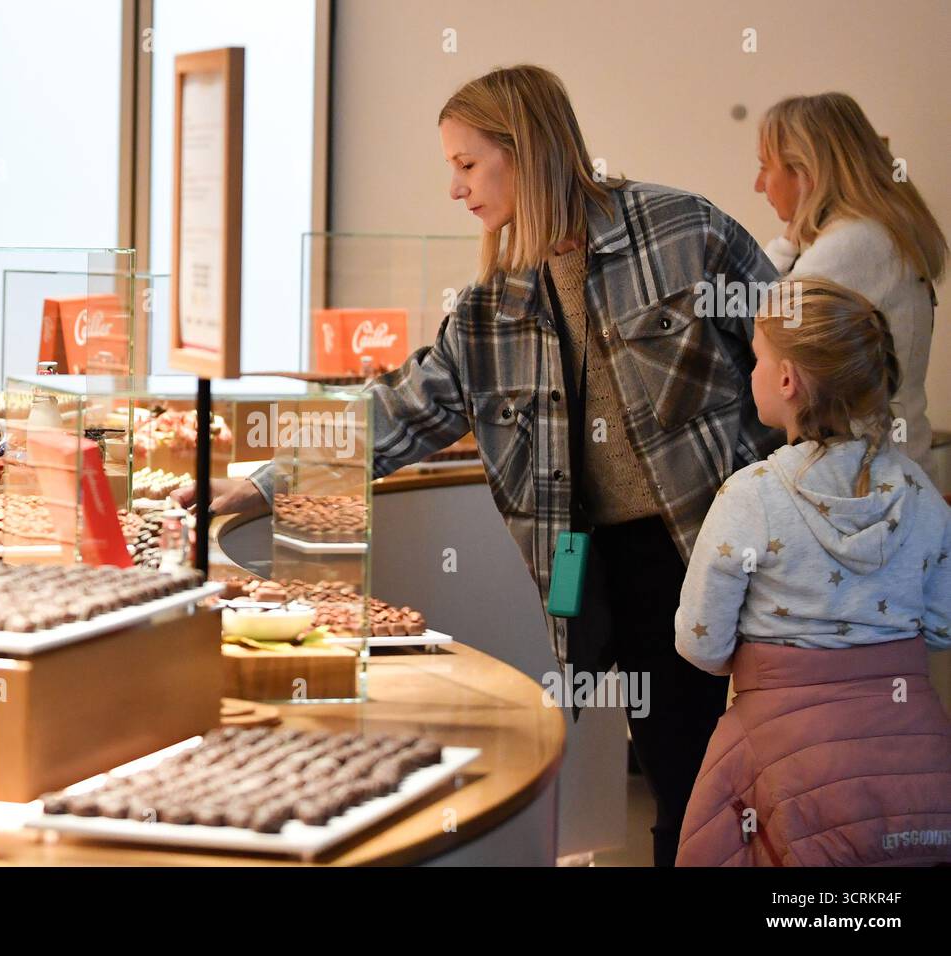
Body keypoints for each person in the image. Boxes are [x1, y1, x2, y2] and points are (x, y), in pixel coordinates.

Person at [178, 65, 782, 866]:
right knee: (684, 779)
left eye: (466, 164)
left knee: (771, 776)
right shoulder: (492, 301)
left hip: (738, 548)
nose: (455, 189)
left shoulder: (683, 230)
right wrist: (257, 484)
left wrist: (826, 491)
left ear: (525, 151)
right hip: (619, 569)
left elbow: (801, 349)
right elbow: (397, 411)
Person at [674, 278, 951, 866]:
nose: (750, 373)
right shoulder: (921, 493)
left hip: (783, 757)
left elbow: (699, 640)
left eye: (757, 359)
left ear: (787, 380)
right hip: (916, 759)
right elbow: (945, 626)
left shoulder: (750, 496)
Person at [755, 92, 947, 474]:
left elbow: (761, 328)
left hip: (866, 479)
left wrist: (785, 243)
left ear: (803, 172)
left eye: (765, 167)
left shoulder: (853, 244)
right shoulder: (881, 233)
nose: (759, 185)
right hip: (895, 470)